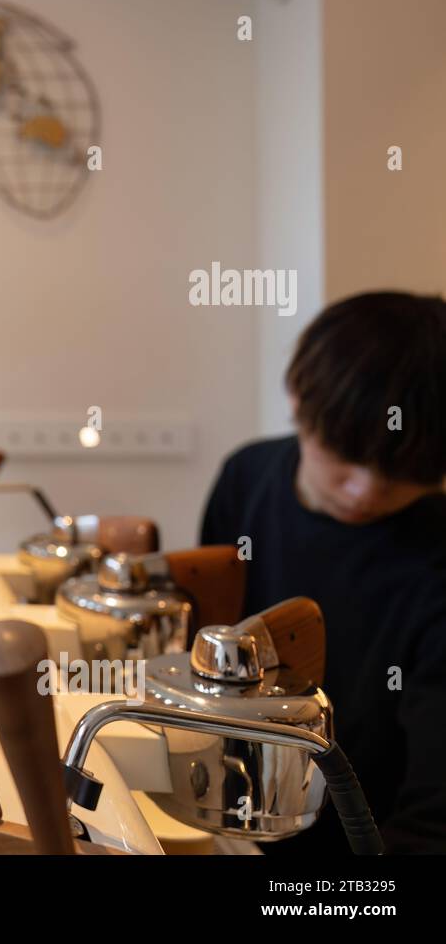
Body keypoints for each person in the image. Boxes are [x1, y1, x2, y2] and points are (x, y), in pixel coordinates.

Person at [200, 291, 446, 854]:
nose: (366, 490)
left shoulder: (434, 557)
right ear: (299, 399)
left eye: (403, 474)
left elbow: (436, 815)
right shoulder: (247, 477)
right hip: (237, 818)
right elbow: (213, 659)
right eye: (346, 455)